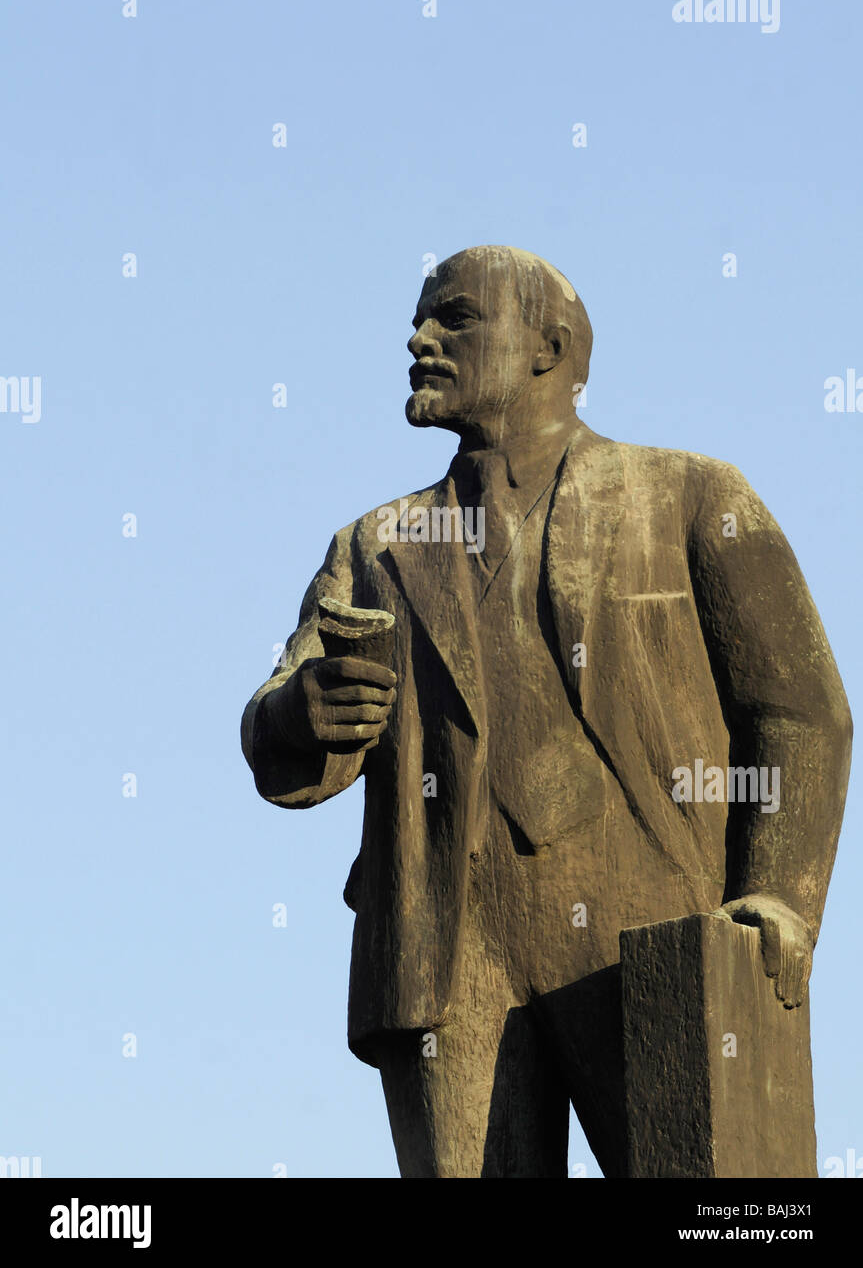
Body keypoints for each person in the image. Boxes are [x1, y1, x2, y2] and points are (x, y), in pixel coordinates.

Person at [241, 246, 851, 1177]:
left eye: (452, 318)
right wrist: (300, 713)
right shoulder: (374, 544)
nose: (419, 339)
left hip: (652, 940)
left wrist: (776, 896)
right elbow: (276, 712)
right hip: (445, 957)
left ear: (546, 346)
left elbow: (800, 710)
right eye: (420, 321)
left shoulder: (689, 497)